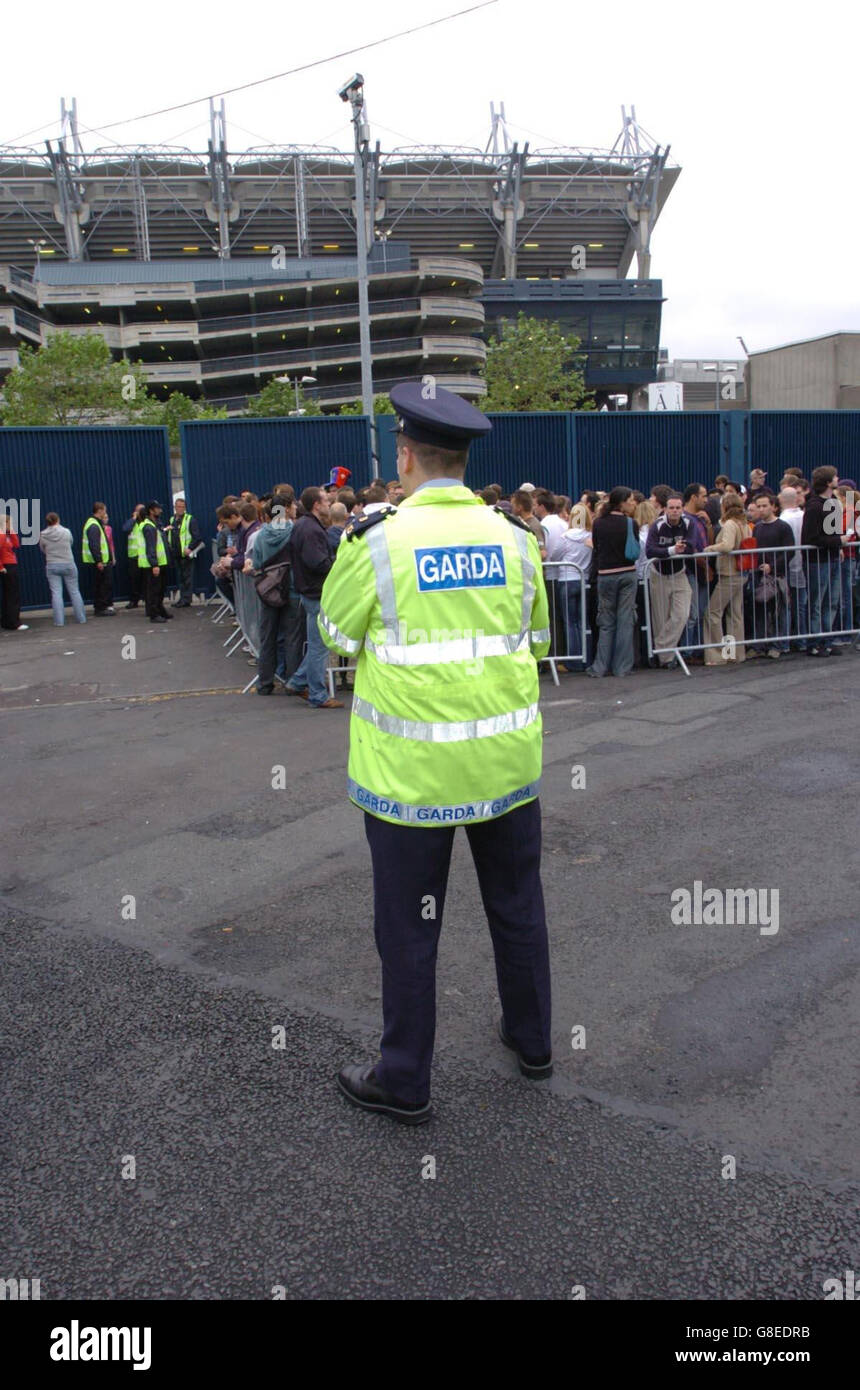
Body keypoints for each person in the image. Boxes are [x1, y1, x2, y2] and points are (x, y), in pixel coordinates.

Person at [318, 381, 552, 1125]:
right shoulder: (517, 540)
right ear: (462, 456)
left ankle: (405, 1079)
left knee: (410, 929)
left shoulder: (375, 541)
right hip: (506, 771)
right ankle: (533, 1040)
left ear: (408, 455)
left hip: (409, 780)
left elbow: (332, 635)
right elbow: (539, 641)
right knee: (517, 907)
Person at [283, 487, 343, 709]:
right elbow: (317, 562)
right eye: (326, 501)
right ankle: (317, 694)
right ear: (316, 505)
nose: (329, 503)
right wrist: (337, 564)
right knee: (319, 646)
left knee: (318, 643)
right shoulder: (311, 529)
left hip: (309, 590)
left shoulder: (304, 526)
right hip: (316, 591)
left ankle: (298, 681)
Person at [252, 495, 303, 695]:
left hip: (268, 590)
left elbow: (257, 564)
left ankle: (265, 682)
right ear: (286, 509)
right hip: (291, 588)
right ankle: (292, 681)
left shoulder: (261, 536)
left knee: (268, 638)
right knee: (292, 639)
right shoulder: (294, 531)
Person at [586, 488, 639, 678]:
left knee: (606, 622)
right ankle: (622, 667)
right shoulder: (630, 523)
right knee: (625, 621)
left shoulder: (598, 523)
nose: (633, 504)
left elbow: (597, 547)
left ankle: (600, 666)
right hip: (627, 573)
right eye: (631, 500)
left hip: (605, 575)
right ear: (622, 502)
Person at [645, 493, 701, 668]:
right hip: (659, 574)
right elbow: (650, 550)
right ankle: (666, 659)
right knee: (661, 618)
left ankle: (660, 648)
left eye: (678, 508)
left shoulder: (689, 523)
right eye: (671, 508)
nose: (675, 511)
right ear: (665, 509)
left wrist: (681, 550)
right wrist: (671, 550)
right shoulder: (657, 525)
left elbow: (692, 545)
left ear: (682, 508)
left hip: (679, 573)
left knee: (682, 614)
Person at [702, 492, 752, 665]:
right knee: (734, 615)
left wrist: (709, 548)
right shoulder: (744, 524)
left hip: (729, 573)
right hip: (741, 573)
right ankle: (735, 653)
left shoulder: (730, 524)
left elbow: (728, 545)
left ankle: (717, 655)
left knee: (712, 613)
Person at [801, 465, 844, 657]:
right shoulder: (814, 506)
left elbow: (834, 531)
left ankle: (827, 639)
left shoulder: (834, 502)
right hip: (817, 561)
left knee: (831, 601)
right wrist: (838, 542)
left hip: (832, 557)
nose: (837, 479)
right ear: (828, 482)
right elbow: (810, 537)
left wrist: (838, 547)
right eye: (835, 477)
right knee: (817, 602)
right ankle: (815, 641)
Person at [750, 491, 794, 658]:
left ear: (773, 507)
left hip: (778, 576)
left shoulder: (783, 527)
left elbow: (790, 552)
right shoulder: (758, 528)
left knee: (779, 611)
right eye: (759, 506)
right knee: (760, 611)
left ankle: (779, 645)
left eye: (765, 506)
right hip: (760, 576)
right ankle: (760, 645)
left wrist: (773, 566)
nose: (761, 509)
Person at [552, 501, 592, 666]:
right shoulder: (590, 537)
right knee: (584, 621)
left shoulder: (565, 537)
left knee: (570, 621)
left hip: (567, 579)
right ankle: (586, 658)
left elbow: (554, 556)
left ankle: (573, 660)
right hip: (585, 578)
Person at [39, 512, 86, 626]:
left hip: (52, 565)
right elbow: (71, 543)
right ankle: (81, 618)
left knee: (56, 593)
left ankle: (59, 621)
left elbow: (42, 549)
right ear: (58, 520)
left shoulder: (43, 534)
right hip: (68, 563)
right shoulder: (66, 532)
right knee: (74, 591)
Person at [777, 486, 808, 651]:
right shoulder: (804, 516)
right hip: (802, 565)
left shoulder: (783, 519)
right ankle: (802, 641)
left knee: (786, 606)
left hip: (787, 566)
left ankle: (785, 643)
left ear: (781, 500)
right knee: (800, 606)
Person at [139, 501, 172, 624]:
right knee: (154, 589)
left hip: (160, 562)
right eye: (158, 509)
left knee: (161, 588)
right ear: (151, 511)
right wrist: (154, 564)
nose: (160, 511)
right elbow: (151, 547)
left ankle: (160, 609)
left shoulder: (155, 525)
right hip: (154, 564)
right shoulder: (149, 527)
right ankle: (154, 613)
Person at [165, 495, 202, 607]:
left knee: (187, 577)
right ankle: (183, 598)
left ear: (185, 508)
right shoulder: (172, 520)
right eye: (178, 506)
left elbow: (197, 537)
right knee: (180, 577)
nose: (180, 509)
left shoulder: (190, 519)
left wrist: (189, 548)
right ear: (174, 507)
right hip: (176, 553)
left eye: (182, 507)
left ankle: (186, 599)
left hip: (186, 554)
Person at [82, 502, 116, 616]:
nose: (105, 513)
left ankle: (101, 607)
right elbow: (94, 544)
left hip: (102, 560)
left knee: (102, 585)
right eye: (104, 510)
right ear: (100, 510)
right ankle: (101, 608)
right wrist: (99, 560)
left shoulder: (94, 523)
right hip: (101, 562)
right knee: (102, 585)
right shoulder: (94, 525)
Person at [0, 515, 29, 631]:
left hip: (10, 565)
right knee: (12, 595)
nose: (11, 525)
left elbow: (17, 544)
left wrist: (11, 531)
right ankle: (14, 623)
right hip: (7, 566)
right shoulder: (1, 535)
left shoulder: (6, 535)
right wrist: (1, 566)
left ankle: (7, 621)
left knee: (8, 595)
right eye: (9, 523)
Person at [122, 504, 146, 609]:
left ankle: (148, 599)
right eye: (137, 510)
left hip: (144, 556)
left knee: (147, 580)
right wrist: (133, 518)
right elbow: (125, 529)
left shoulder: (146, 522)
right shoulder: (131, 522)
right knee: (134, 581)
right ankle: (134, 601)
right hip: (133, 556)